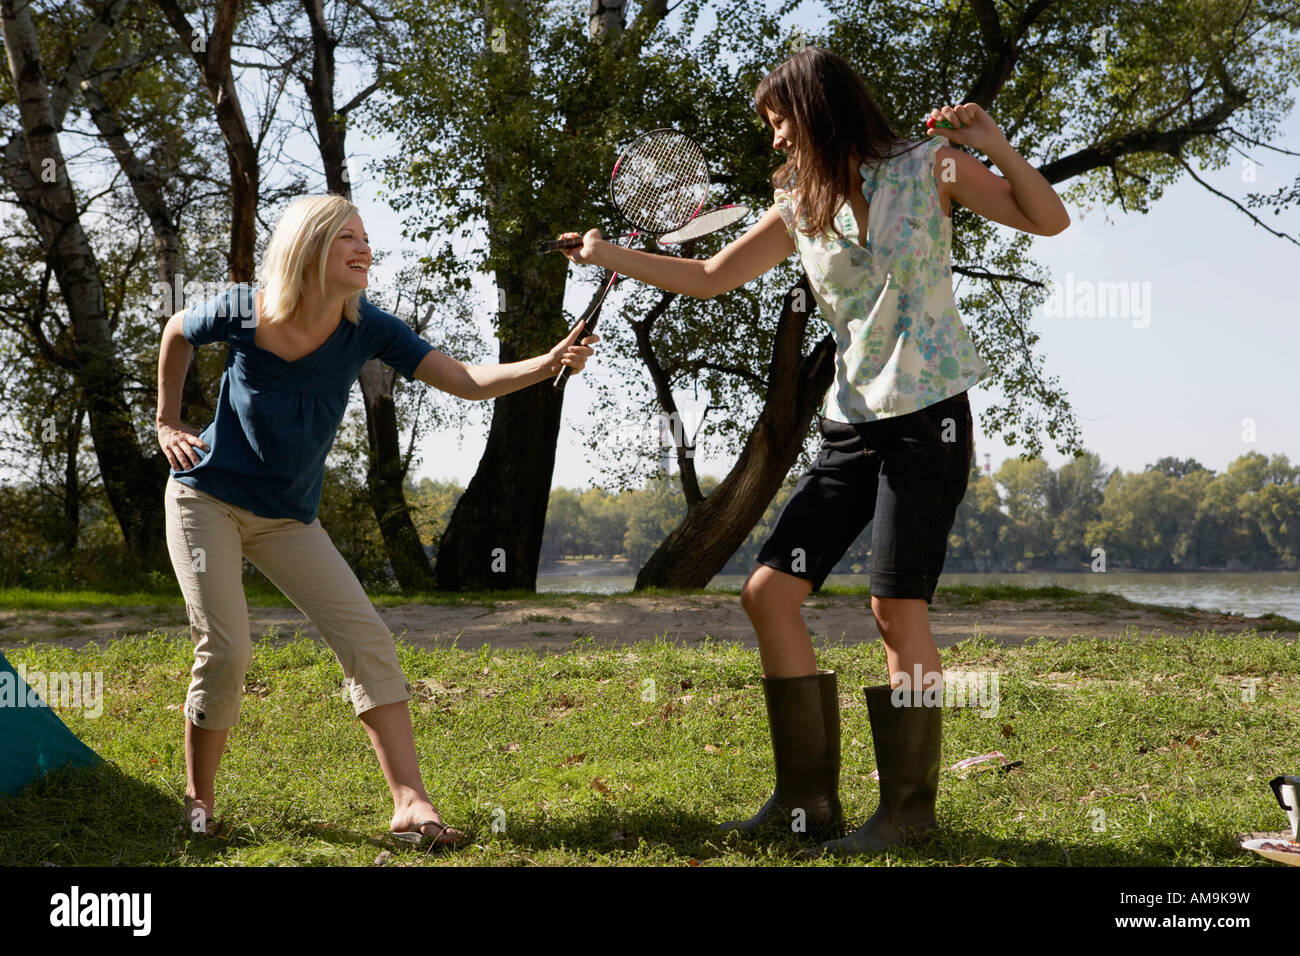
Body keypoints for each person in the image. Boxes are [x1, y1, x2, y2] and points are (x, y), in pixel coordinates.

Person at [557, 48, 1068, 855]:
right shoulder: (800, 200)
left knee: (896, 609)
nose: (773, 141)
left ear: (816, 109)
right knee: (767, 594)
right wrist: (608, 255)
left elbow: (1048, 219)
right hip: (849, 424)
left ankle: (907, 817)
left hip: (928, 417)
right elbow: (710, 275)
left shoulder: (930, 165)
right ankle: (809, 805)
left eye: (779, 120)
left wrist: (995, 147)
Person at [157, 194, 598, 847]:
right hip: (206, 499)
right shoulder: (245, 309)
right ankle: (199, 802)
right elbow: (175, 332)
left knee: (368, 640)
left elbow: (467, 380)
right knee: (227, 648)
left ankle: (411, 805)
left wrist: (549, 362)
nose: (365, 249)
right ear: (309, 247)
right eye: (348, 239)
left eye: (366, 238)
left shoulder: (369, 328)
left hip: (286, 518)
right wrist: (168, 419)